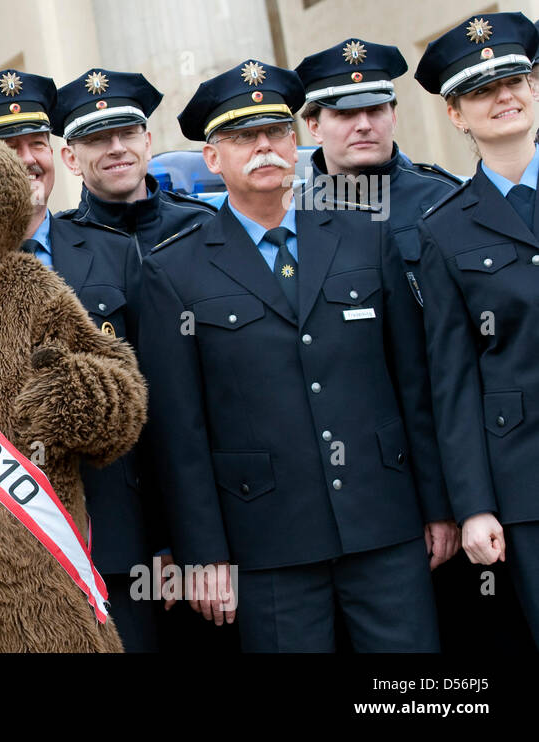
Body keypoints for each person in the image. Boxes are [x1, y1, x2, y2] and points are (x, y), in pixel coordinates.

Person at [137, 59, 453, 652]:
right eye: (241, 136)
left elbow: (413, 380)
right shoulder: (173, 271)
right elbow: (179, 431)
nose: (264, 147)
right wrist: (204, 553)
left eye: (276, 131)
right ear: (212, 158)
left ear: (297, 140)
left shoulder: (365, 234)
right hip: (266, 541)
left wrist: (438, 506)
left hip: (383, 522)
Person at [0, 68, 161, 650]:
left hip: (125, 547)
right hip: (15, 557)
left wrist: (172, 541)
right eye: (8, 148)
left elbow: (169, 407)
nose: (30, 160)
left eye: (37, 145)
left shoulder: (116, 254)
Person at [414, 11, 539, 647]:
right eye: (481, 90)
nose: (505, 97)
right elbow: (453, 379)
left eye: (515, 79)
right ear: (457, 115)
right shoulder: (443, 229)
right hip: (526, 485)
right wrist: (475, 505)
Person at [295, 40, 461, 269]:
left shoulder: (444, 198)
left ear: (393, 117)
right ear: (314, 127)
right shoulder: (293, 214)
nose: (363, 125)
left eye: (375, 110)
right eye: (345, 114)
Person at [55, 68, 215, 254]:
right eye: (97, 138)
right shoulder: (59, 248)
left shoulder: (203, 224)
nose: (117, 148)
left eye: (128, 133)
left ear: (147, 144)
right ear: (72, 159)